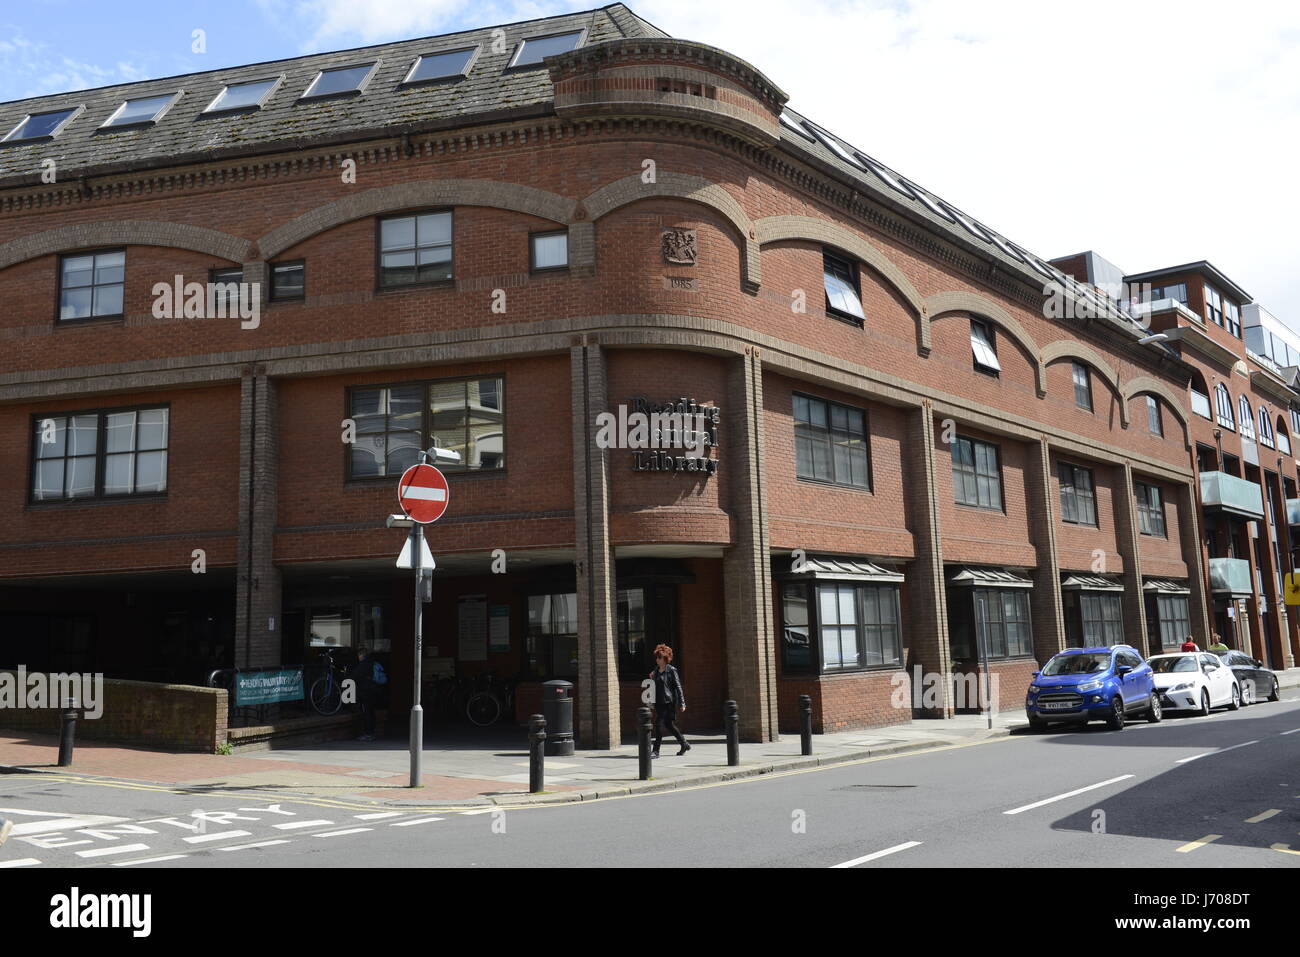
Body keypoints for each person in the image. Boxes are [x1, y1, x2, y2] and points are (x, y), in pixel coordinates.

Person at [648, 644, 690, 758]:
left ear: (665, 659)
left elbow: (678, 686)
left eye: (659, 657)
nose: (657, 660)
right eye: (656, 657)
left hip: (668, 702)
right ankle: (684, 743)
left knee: (658, 724)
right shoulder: (656, 671)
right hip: (659, 702)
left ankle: (655, 751)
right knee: (669, 725)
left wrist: (682, 703)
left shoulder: (671, 670)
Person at [352, 646, 387, 742]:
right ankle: (371, 732)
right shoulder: (372, 663)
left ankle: (369, 734)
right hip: (374, 691)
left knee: (367, 713)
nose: (358, 657)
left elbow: (354, 675)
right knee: (371, 712)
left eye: (359, 655)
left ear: (362, 655)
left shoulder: (363, 665)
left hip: (366, 692)